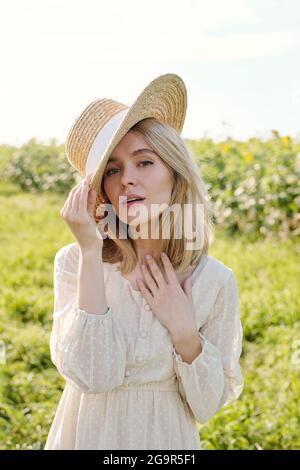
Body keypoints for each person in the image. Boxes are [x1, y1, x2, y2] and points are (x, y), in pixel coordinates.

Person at [44, 74, 244, 450]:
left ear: (175, 172)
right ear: (99, 189)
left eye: (144, 162)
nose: (127, 180)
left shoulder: (213, 280)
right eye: (113, 170)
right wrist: (89, 250)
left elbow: (207, 404)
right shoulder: (75, 261)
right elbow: (94, 376)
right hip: (88, 437)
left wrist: (185, 332)